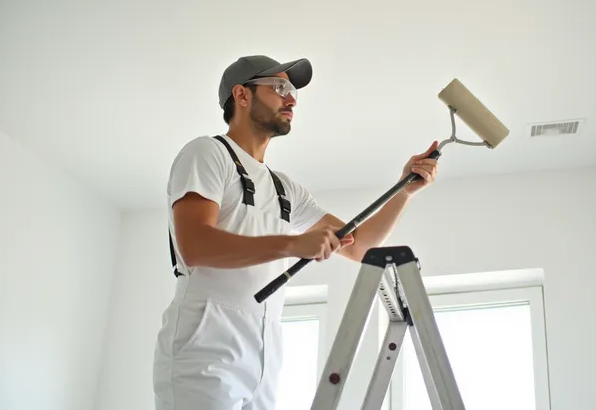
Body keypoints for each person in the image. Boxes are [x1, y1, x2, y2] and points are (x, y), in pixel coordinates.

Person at [152, 54, 439, 410]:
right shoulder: (208, 154)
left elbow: (358, 247)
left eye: (293, 92)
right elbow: (195, 244)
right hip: (206, 345)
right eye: (279, 87)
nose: (291, 99)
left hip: (264, 352)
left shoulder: (285, 190)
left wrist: (404, 190)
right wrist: (292, 244)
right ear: (241, 96)